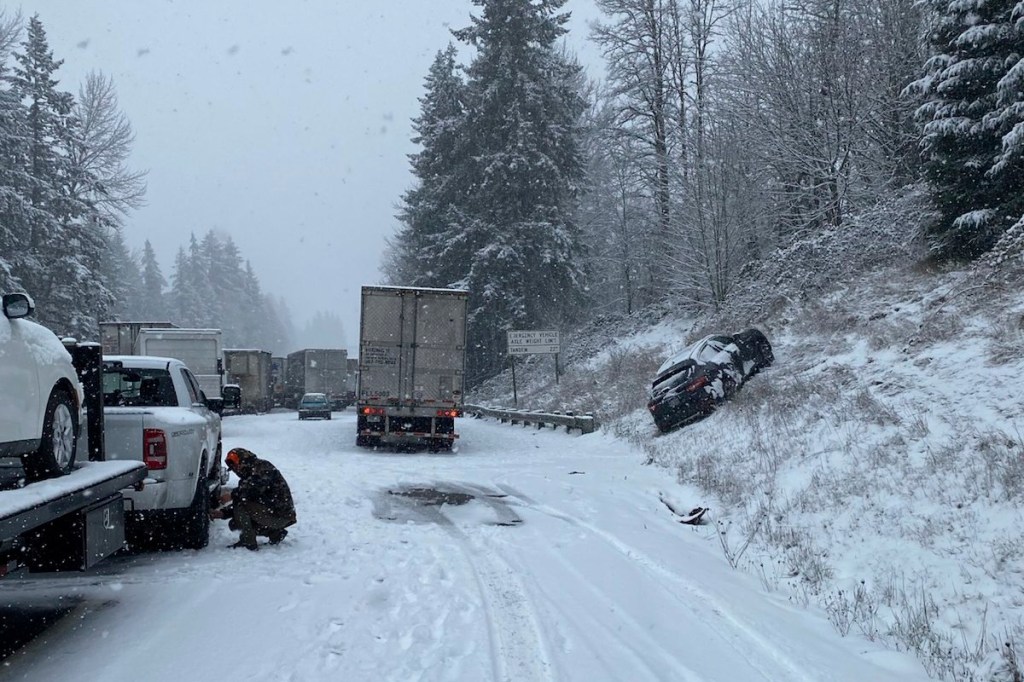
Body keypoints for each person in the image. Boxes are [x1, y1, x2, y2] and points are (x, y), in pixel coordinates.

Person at [212, 447, 296, 551]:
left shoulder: (262, 467)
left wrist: (231, 495)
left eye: (235, 466)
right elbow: (249, 497)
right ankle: (274, 533)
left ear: (243, 461)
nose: (235, 470)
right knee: (235, 523)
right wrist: (223, 513)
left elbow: (251, 491)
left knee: (241, 505)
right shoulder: (249, 475)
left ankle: (248, 542)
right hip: (275, 513)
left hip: (281, 514)